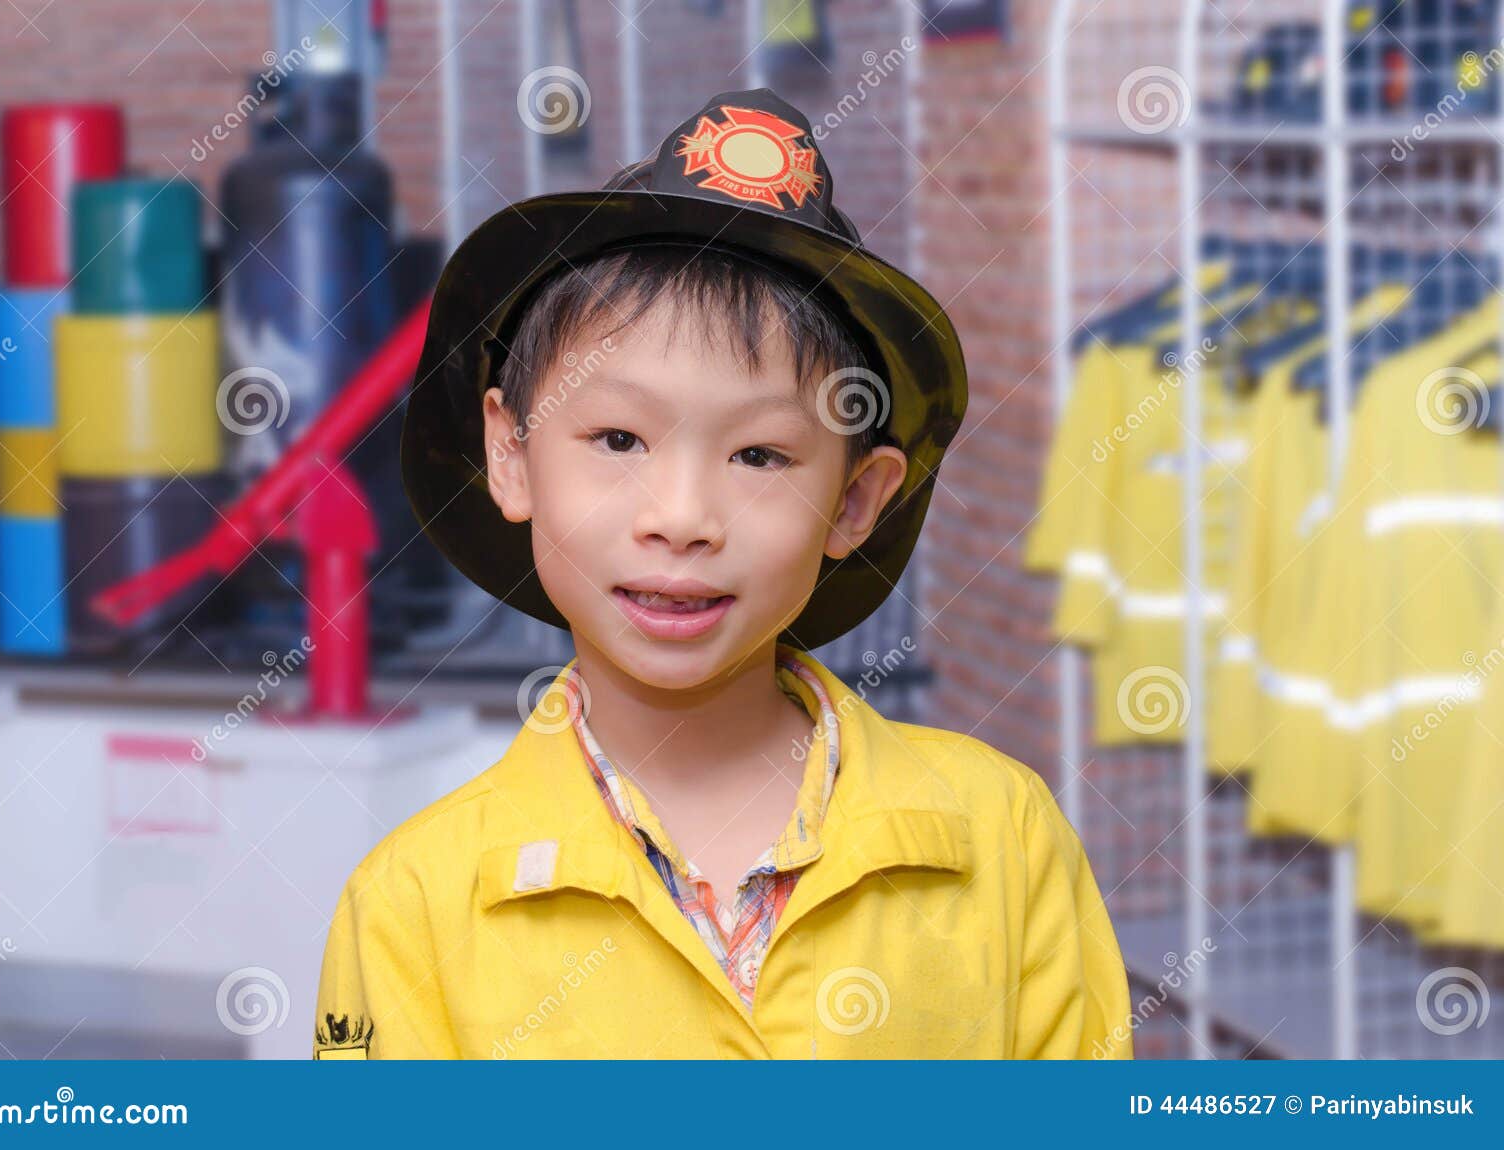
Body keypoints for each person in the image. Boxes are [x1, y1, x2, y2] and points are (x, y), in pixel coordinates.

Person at [312, 87, 1133, 1060]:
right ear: (513, 453)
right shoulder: (416, 903)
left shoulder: (998, 836)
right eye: (617, 437)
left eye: (759, 457)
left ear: (857, 501)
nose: (682, 519)